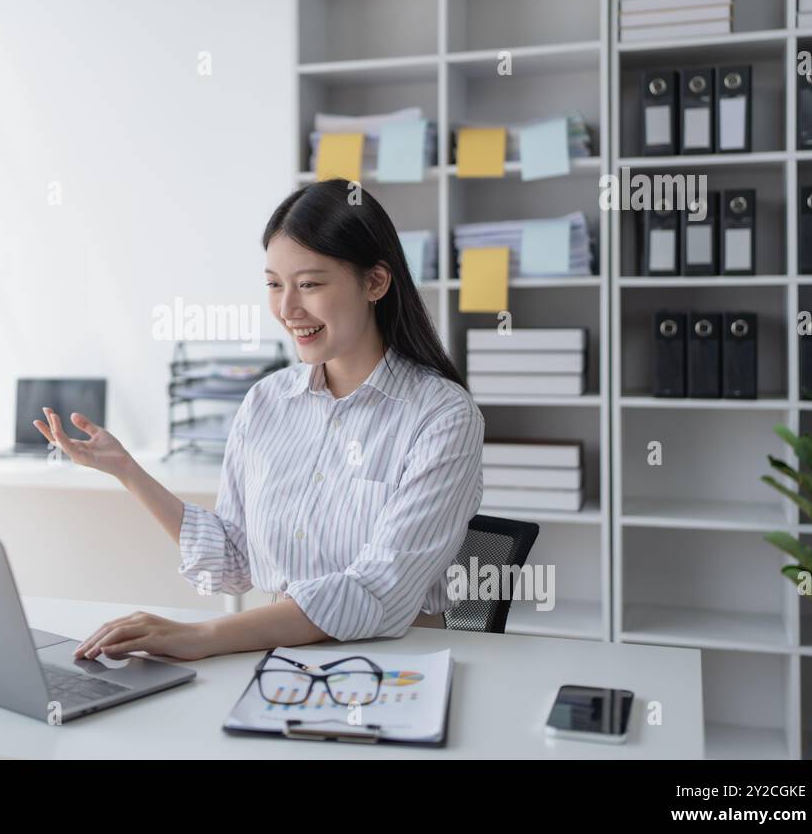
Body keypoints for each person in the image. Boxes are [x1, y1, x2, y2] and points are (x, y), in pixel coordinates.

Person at [35, 179, 484, 661]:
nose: (288, 309)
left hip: (401, 662)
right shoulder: (266, 402)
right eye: (274, 284)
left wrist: (201, 636)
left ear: (375, 282)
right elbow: (233, 561)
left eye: (309, 284)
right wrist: (127, 469)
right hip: (283, 654)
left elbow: (379, 590)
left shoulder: (442, 416)